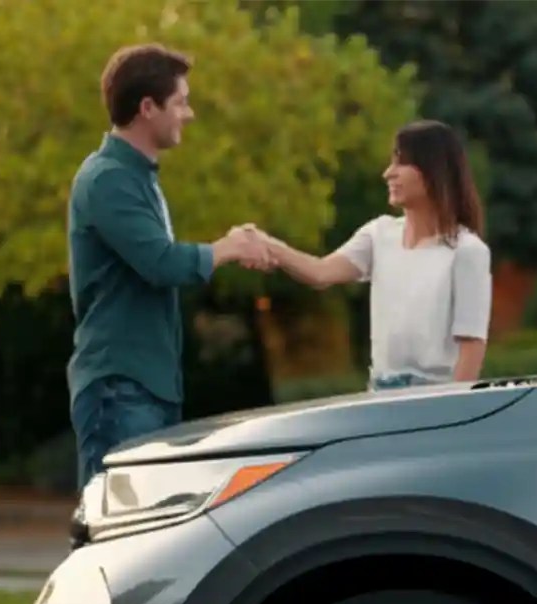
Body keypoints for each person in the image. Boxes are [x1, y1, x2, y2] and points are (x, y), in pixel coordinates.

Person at [67, 43, 274, 489]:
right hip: (119, 390)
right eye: (180, 102)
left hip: (144, 388)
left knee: (146, 541)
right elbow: (161, 264)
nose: (189, 113)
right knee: (119, 540)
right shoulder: (108, 180)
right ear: (147, 107)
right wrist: (230, 247)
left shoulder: (136, 177)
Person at [247, 120, 492, 390]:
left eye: (401, 163)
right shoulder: (379, 234)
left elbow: (472, 344)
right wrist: (265, 243)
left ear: (434, 171)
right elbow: (321, 272)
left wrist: (453, 413)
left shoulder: (467, 251)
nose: (388, 173)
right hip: (380, 391)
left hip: (433, 394)